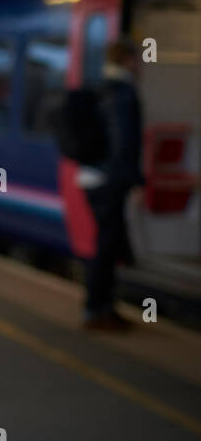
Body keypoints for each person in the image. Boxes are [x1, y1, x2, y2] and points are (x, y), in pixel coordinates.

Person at [76, 36, 145, 331]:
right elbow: (123, 142)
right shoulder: (124, 93)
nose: (141, 63)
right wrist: (134, 181)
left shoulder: (101, 87)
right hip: (109, 179)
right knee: (107, 245)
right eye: (138, 58)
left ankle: (103, 307)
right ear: (128, 60)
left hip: (91, 175)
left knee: (108, 242)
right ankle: (96, 309)